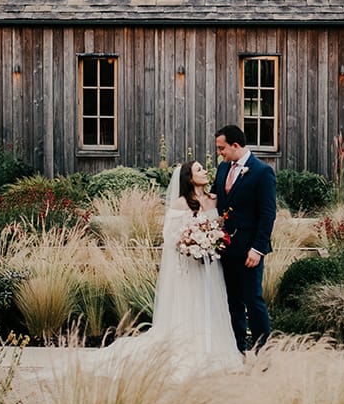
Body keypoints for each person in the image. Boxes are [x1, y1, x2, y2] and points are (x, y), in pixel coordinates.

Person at [93, 159, 241, 377]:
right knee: (190, 305)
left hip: (210, 266)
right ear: (189, 178)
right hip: (189, 267)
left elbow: (220, 227)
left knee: (211, 303)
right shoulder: (181, 203)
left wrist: (212, 241)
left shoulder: (214, 200)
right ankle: (188, 350)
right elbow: (171, 237)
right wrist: (191, 242)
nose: (205, 171)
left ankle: (214, 350)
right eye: (199, 169)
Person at [212, 124, 276, 352]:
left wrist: (258, 249)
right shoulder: (222, 169)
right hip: (225, 249)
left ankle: (263, 352)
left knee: (253, 300)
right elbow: (215, 200)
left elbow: (268, 214)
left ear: (235, 145)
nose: (220, 152)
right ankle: (237, 350)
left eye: (222, 148)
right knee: (233, 302)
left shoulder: (261, 171)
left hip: (249, 251)